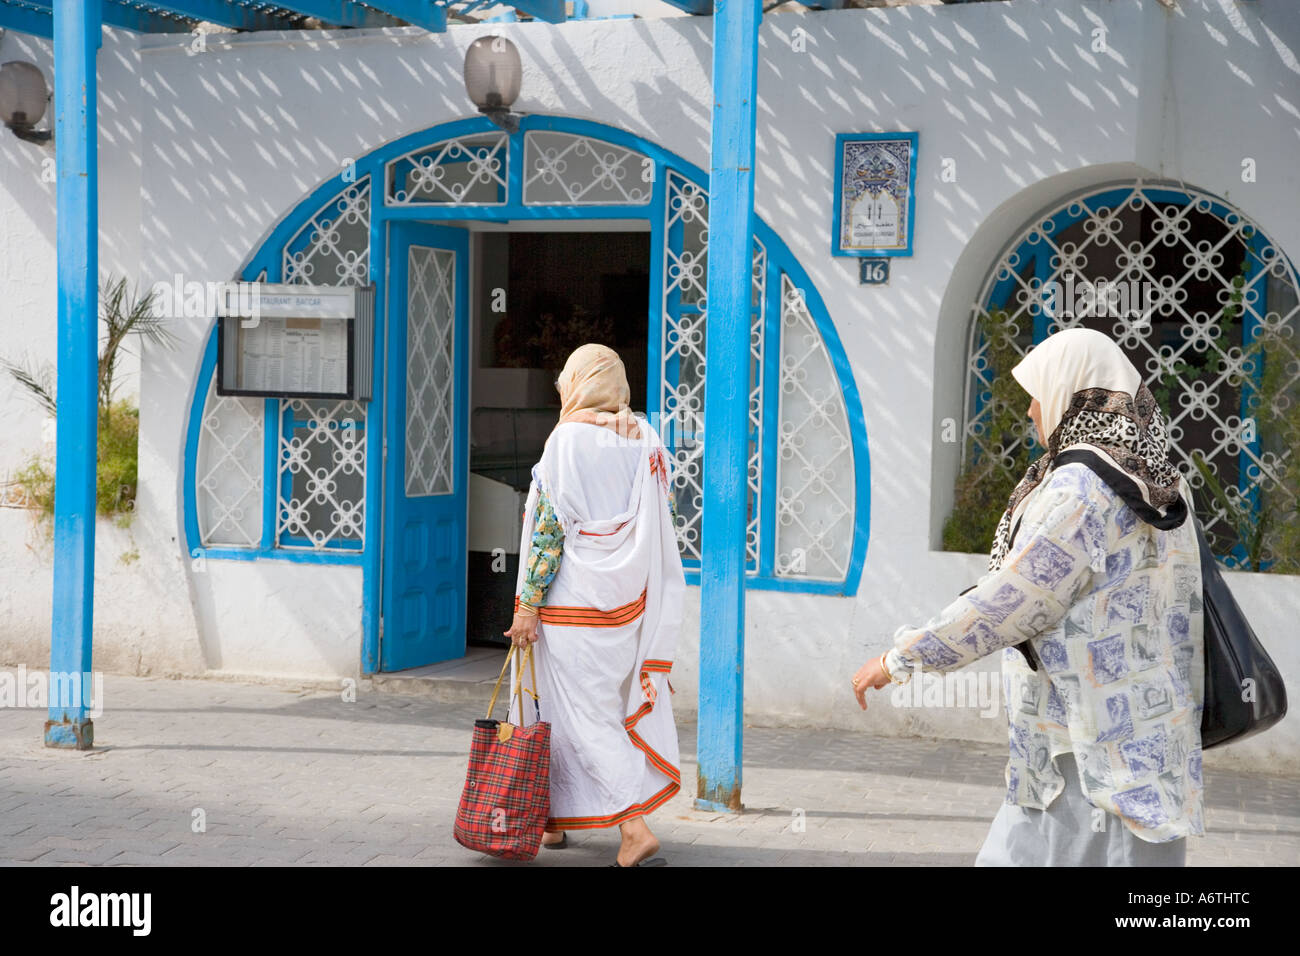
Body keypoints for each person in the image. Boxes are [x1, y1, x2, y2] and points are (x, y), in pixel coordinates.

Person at [852, 327, 1204, 866]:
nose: (1032, 412)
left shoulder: (1080, 490)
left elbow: (1008, 603)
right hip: (1150, 735)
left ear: (1072, 393)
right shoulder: (1161, 482)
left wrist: (900, 658)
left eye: (1039, 394)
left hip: (1080, 742)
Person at [503, 343, 685, 867]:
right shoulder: (645, 437)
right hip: (625, 607)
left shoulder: (567, 441)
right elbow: (661, 519)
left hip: (571, 605)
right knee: (565, 710)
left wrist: (527, 607)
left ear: (578, 383)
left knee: (585, 718)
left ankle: (633, 828)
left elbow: (548, 531)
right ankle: (553, 819)